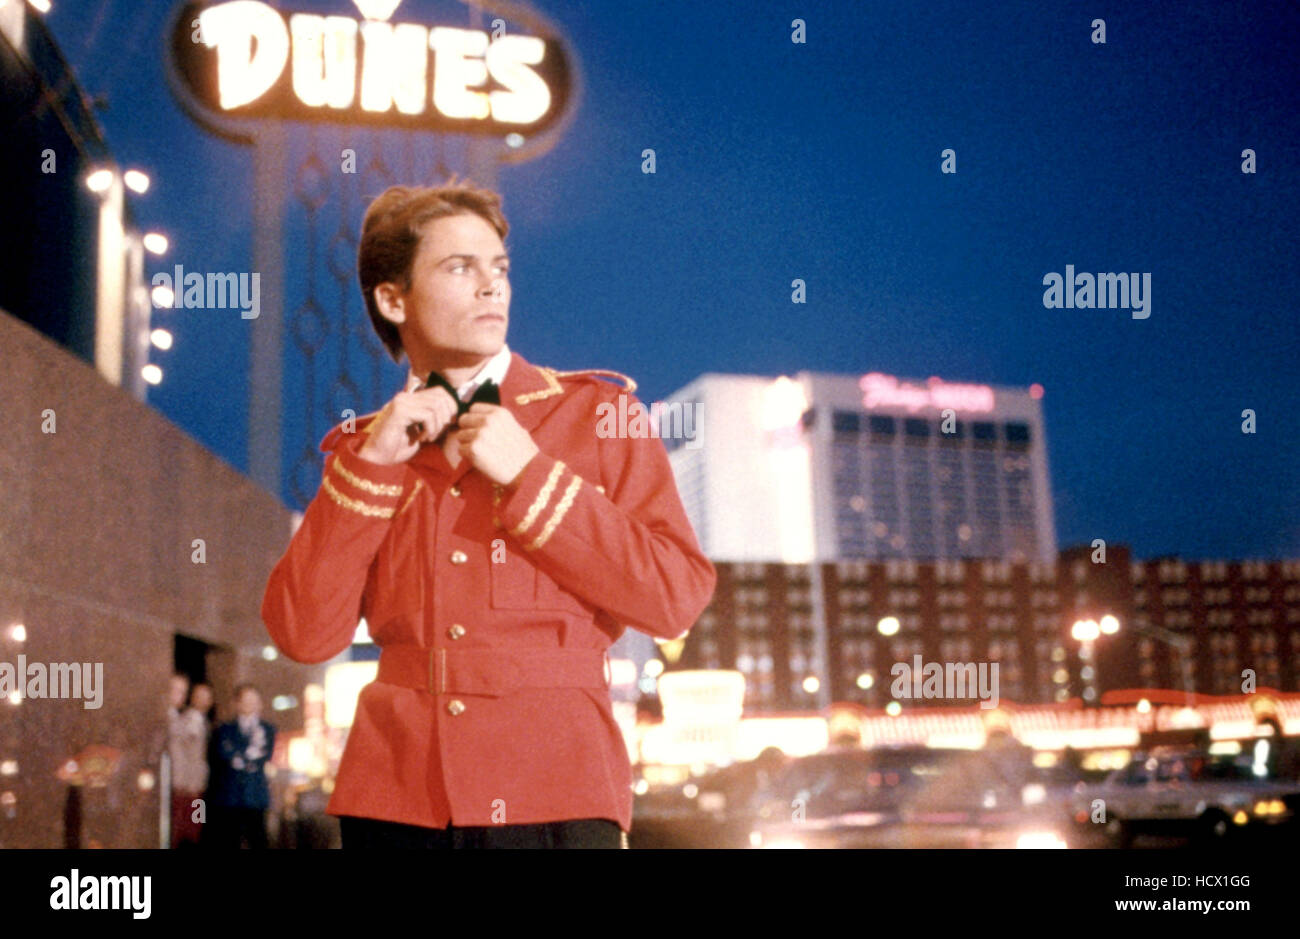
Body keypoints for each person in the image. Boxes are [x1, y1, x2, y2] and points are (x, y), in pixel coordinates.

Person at [261, 178, 716, 849]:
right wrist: (373, 466)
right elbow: (303, 634)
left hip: (556, 795)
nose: (491, 286)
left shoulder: (599, 414)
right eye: (459, 267)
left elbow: (675, 597)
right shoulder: (365, 450)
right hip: (396, 806)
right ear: (392, 298)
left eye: (498, 268)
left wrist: (532, 475)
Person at [207, 684, 276, 849]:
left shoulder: (267, 729)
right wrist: (246, 758)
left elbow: (264, 755)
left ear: (260, 703)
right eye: (245, 700)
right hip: (230, 797)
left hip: (256, 796)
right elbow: (223, 755)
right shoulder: (224, 729)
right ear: (236, 703)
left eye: (253, 700)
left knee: (258, 840)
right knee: (230, 841)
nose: (249, 704)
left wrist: (240, 758)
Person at [164, 674, 209, 847]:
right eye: (174, 690)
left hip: (192, 788)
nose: (178, 696)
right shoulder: (176, 718)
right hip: (176, 787)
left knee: (191, 833)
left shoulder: (187, 718)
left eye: (182, 692)